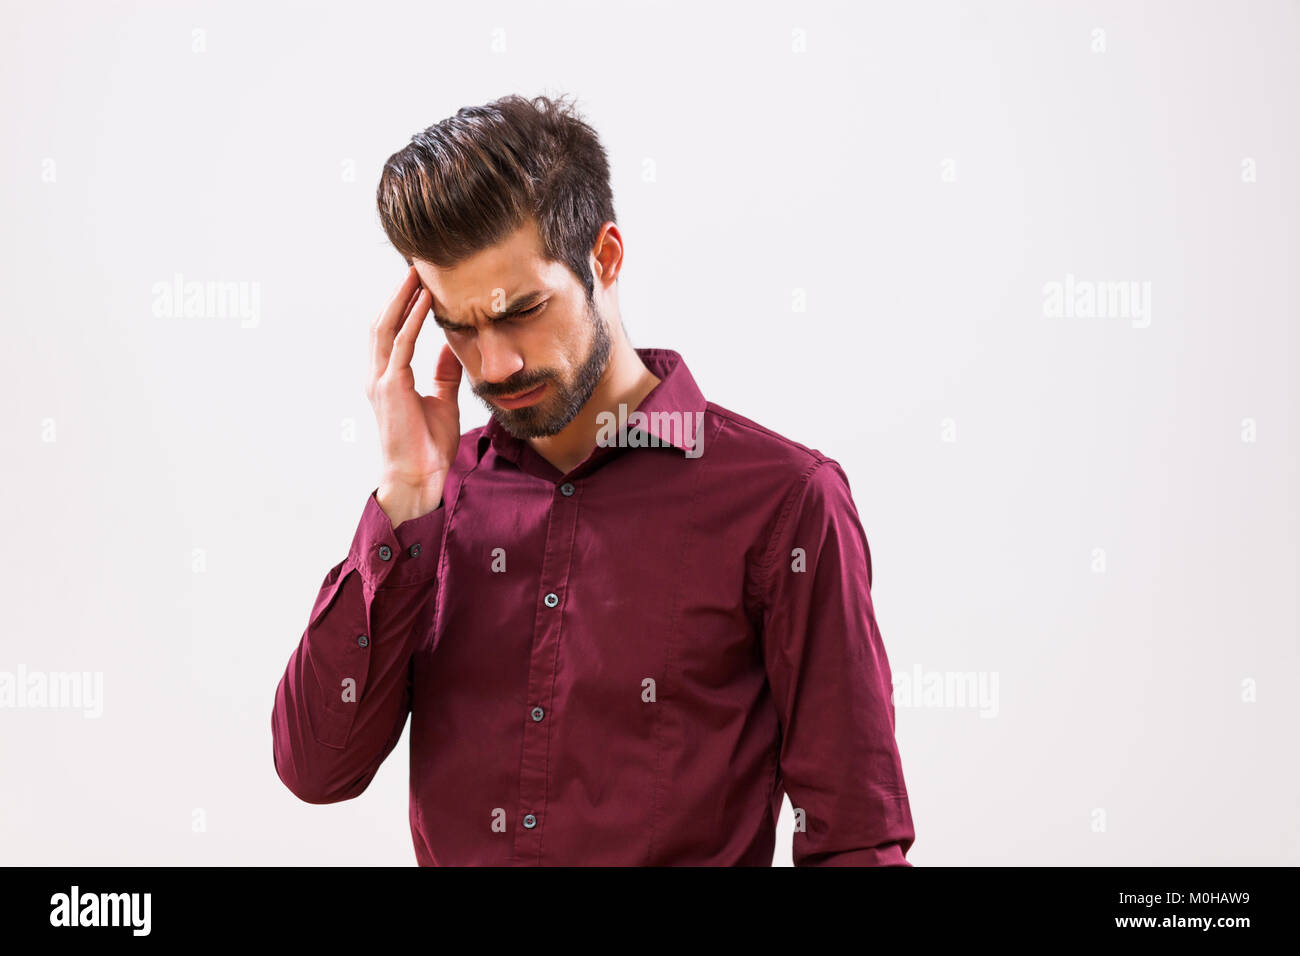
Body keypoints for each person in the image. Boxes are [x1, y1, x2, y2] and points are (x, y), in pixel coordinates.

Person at [271, 93, 916, 866]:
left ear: (605, 258)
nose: (495, 365)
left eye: (522, 311)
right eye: (460, 326)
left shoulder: (784, 502)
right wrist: (407, 493)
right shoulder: (433, 508)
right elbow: (318, 770)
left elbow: (853, 837)